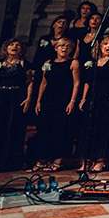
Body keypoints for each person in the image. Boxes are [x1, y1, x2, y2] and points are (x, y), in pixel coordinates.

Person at [32, 38, 80, 171]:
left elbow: (76, 83)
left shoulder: (73, 63)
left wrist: (72, 101)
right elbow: (44, 82)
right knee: (44, 129)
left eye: (68, 46)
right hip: (49, 98)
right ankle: (42, 159)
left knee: (60, 130)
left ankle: (58, 160)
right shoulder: (48, 63)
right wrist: (38, 100)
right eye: (62, 46)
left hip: (63, 99)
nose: (64, 48)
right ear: (56, 48)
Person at [0, 39, 33, 172]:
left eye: (18, 45)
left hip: (16, 97)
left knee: (13, 127)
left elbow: (29, 82)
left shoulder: (24, 64)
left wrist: (28, 98)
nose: (15, 47)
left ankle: (10, 162)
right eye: (12, 44)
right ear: (5, 48)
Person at [78, 35, 109, 172]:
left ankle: (101, 160)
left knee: (105, 128)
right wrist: (84, 98)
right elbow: (87, 82)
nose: (108, 46)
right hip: (93, 97)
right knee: (89, 128)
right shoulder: (93, 62)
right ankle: (87, 159)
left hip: (108, 97)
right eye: (105, 44)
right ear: (100, 46)